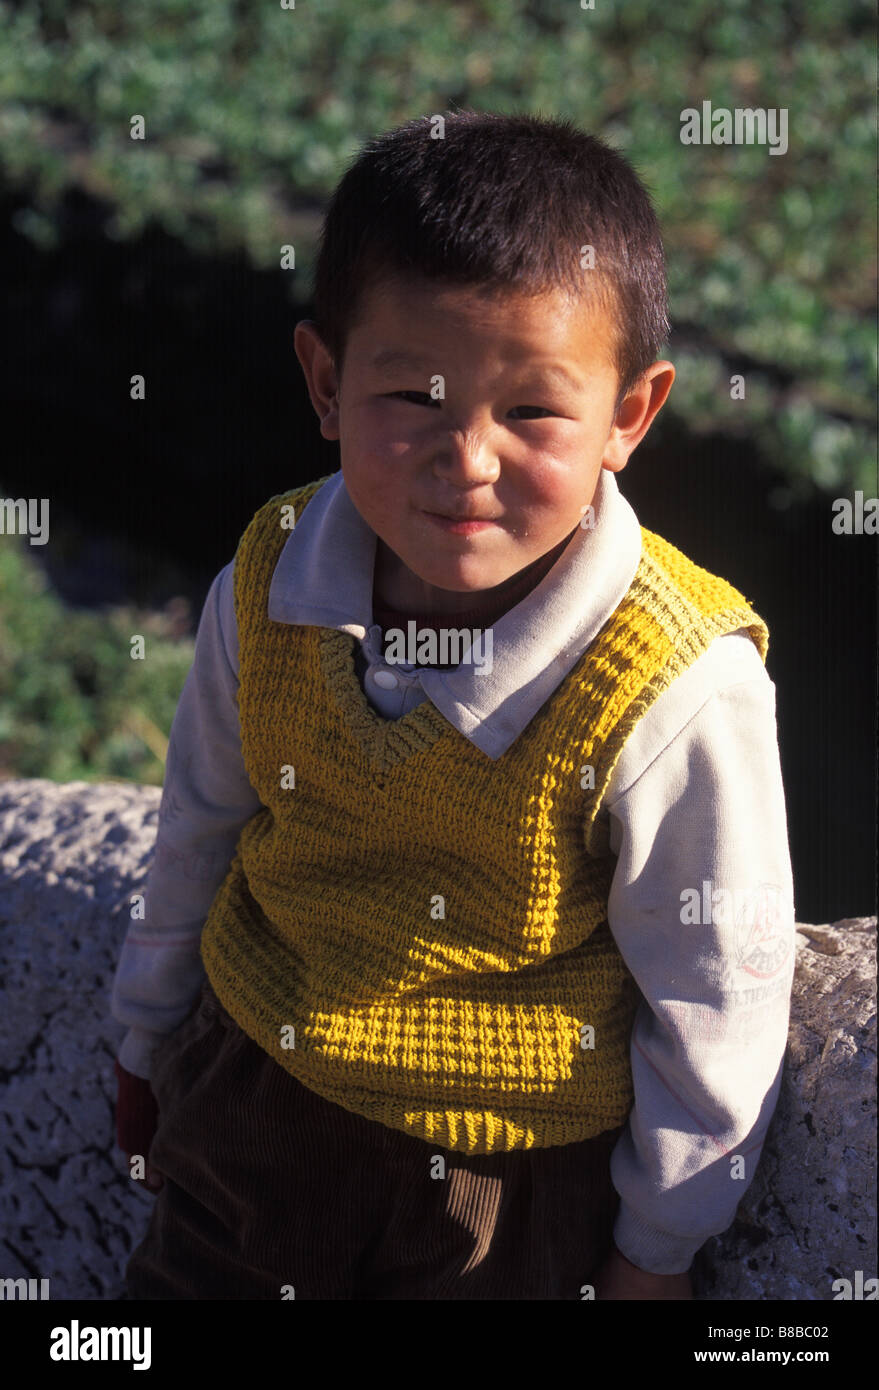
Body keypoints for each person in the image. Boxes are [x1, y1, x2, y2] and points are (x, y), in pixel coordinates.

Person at [112, 110, 796, 1300]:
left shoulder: (673, 679)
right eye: (414, 398)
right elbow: (202, 820)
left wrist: (656, 1247)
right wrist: (144, 1030)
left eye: (534, 411)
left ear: (630, 416)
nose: (467, 457)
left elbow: (718, 984)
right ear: (324, 381)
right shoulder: (272, 575)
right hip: (248, 1100)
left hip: (502, 1185)